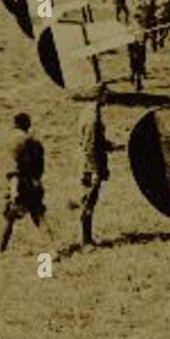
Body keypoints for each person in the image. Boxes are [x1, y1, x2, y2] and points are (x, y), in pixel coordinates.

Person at [1, 113, 48, 252]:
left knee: (10, 217)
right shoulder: (34, 141)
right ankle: (52, 250)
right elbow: (40, 164)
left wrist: (13, 189)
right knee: (39, 216)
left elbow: (14, 169)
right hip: (34, 183)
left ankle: (0, 250)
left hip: (20, 184)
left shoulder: (15, 141)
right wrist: (36, 180)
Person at [76, 95, 115, 245]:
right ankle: (86, 240)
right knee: (88, 202)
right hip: (90, 165)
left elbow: (92, 141)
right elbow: (90, 145)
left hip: (86, 162)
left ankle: (86, 237)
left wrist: (107, 145)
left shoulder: (87, 112)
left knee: (88, 200)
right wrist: (94, 171)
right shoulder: (92, 118)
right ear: (99, 97)